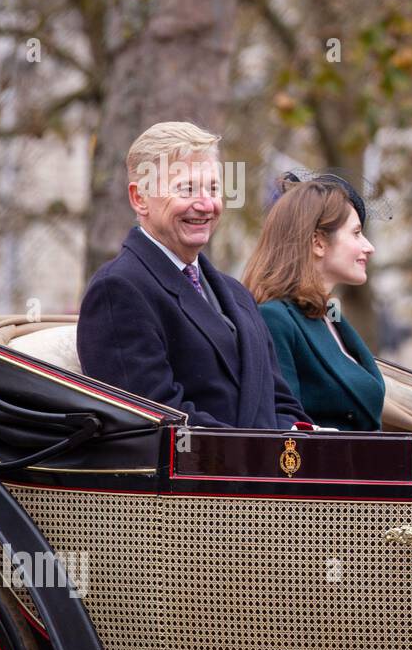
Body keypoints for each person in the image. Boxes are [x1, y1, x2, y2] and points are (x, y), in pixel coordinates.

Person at [77, 122, 308, 429]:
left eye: (213, 188)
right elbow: (153, 419)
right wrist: (255, 453)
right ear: (139, 198)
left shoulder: (235, 293)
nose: (205, 204)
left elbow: (282, 401)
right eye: (186, 189)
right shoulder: (118, 290)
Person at [243, 175, 386, 432]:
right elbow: (283, 431)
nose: (369, 247)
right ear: (317, 242)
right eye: (356, 233)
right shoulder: (275, 319)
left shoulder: (330, 316)